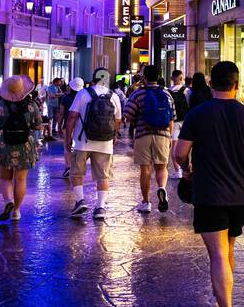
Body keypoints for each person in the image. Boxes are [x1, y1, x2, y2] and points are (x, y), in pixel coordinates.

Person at [174, 60, 244, 307]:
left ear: (211, 83)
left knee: (217, 254)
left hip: (209, 193)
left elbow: (180, 153)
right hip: (240, 195)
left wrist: (187, 168)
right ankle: (220, 300)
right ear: (237, 84)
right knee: (228, 248)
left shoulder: (198, 114)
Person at [65, 67, 120, 220]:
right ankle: (100, 207)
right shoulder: (113, 96)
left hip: (83, 141)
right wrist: (114, 135)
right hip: (105, 143)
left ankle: (80, 200)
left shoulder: (83, 93)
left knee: (77, 172)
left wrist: (68, 137)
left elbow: (72, 117)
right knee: (103, 176)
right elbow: (117, 120)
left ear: (93, 78)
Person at [123, 64, 175, 214]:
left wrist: (136, 123)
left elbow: (128, 114)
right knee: (162, 167)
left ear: (144, 77)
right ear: (159, 77)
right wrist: (169, 135)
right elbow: (172, 117)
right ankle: (162, 188)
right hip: (163, 135)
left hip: (143, 135)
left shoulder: (138, 93)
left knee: (145, 169)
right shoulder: (166, 94)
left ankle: (146, 202)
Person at [0, 75, 42, 221]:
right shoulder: (31, 105)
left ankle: (8, 202)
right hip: (25, 144)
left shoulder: (1, 105)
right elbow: (38, 125)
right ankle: (17, 211)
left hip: (6, 143)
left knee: (5, 177)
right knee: (20, 179)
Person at [59, 77, 83, 179]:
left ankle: (68, 167)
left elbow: (61, 113)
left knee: (67, 147)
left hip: (67, 126)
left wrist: (59, 126)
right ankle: (76, 168)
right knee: (79, 147)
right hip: (81, 127)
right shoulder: (84, 97)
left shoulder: (65, 98)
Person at [167, 70, 188, 178]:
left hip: (173, 122)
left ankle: (177, 170)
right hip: (185, 121)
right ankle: (187, 169)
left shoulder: (168, 91)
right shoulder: (187, 91)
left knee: (174, 147)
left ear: (172, 78)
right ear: (181, 78)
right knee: (187, 146)